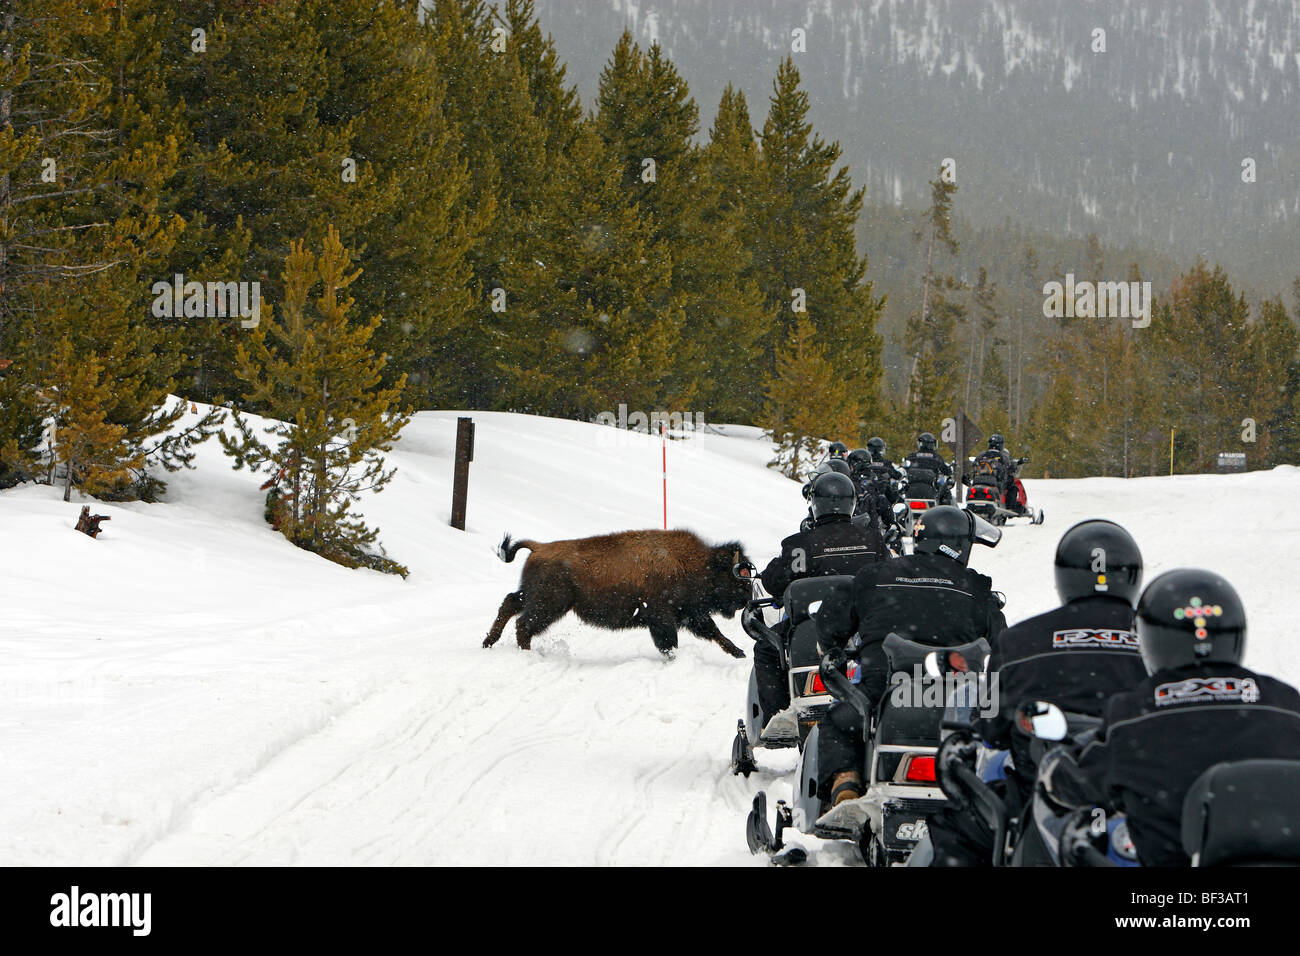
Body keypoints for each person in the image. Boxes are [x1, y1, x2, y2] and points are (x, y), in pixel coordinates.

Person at [922, 519, 1149, 866]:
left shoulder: (1021, 640)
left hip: (1044, 794)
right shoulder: (1167, 643)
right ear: (1132, 575)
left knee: (955, 830)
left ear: (1064, 576)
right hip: (1144, 796)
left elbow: (992, 727)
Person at [1040, 568, 1300, 866]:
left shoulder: (1132, 714)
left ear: (1149, 640)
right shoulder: (1286, 702)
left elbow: (1074, 785)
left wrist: (1053, 767)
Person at [814, 506, 1006, 828]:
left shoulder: (874, 575)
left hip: (885, 688)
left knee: (838, 723)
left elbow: (829, 626)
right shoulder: (977, 588)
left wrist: (839, 648)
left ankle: (846, 788)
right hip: (957, 698)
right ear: (960, 545)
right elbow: (1003, 647)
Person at [753, 472, 888, 739]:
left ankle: (778, 713)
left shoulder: (799, 544)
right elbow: (889, 577)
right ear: (851, 502)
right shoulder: (872, 539)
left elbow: (773, 582)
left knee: (767, 649)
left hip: (812, 625)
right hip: (863, 625)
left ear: (814, 503)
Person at [903, 432, 953, 505]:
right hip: (931, 489)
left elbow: (903, 470)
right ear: (932, 444)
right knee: (946, 495)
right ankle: (946, 514)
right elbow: (947, 471)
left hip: (912, 490)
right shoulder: (936, 458)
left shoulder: (912, 457)